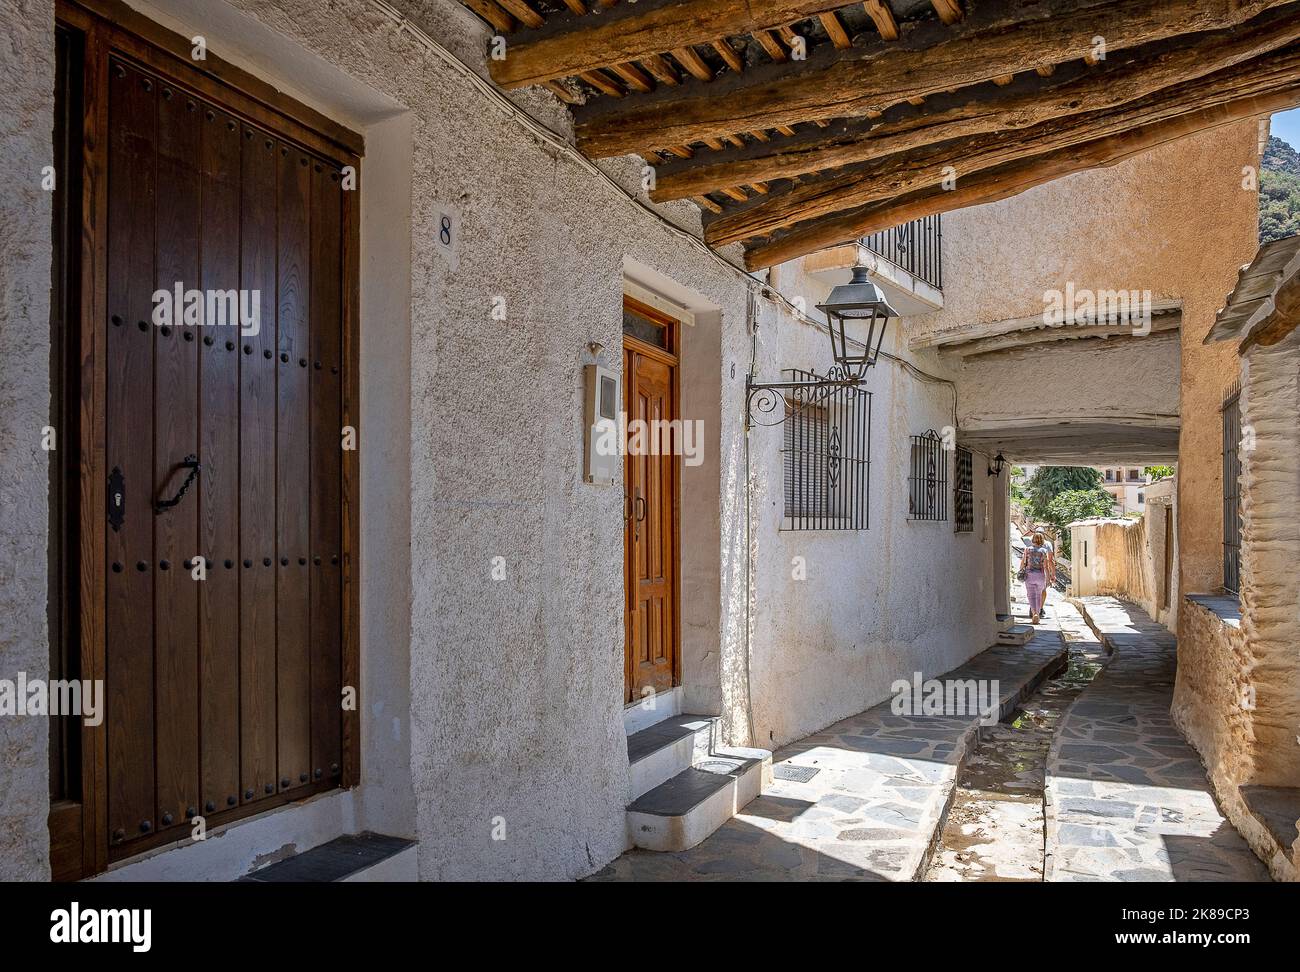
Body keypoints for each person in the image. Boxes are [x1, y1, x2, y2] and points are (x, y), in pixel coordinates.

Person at [1019, 530, 1055, 625]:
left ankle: (1034, 612)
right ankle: (1038, 613)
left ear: (1033, 540)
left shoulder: (1027, 549)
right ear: (1042, 540)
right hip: (1040, 576)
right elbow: (1046, 566)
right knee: (1039, 595)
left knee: (1031, 595)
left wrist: (1020, 571)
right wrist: (1048, 578)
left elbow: (1023, 562)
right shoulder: (1044, 551)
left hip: (1029, 575)